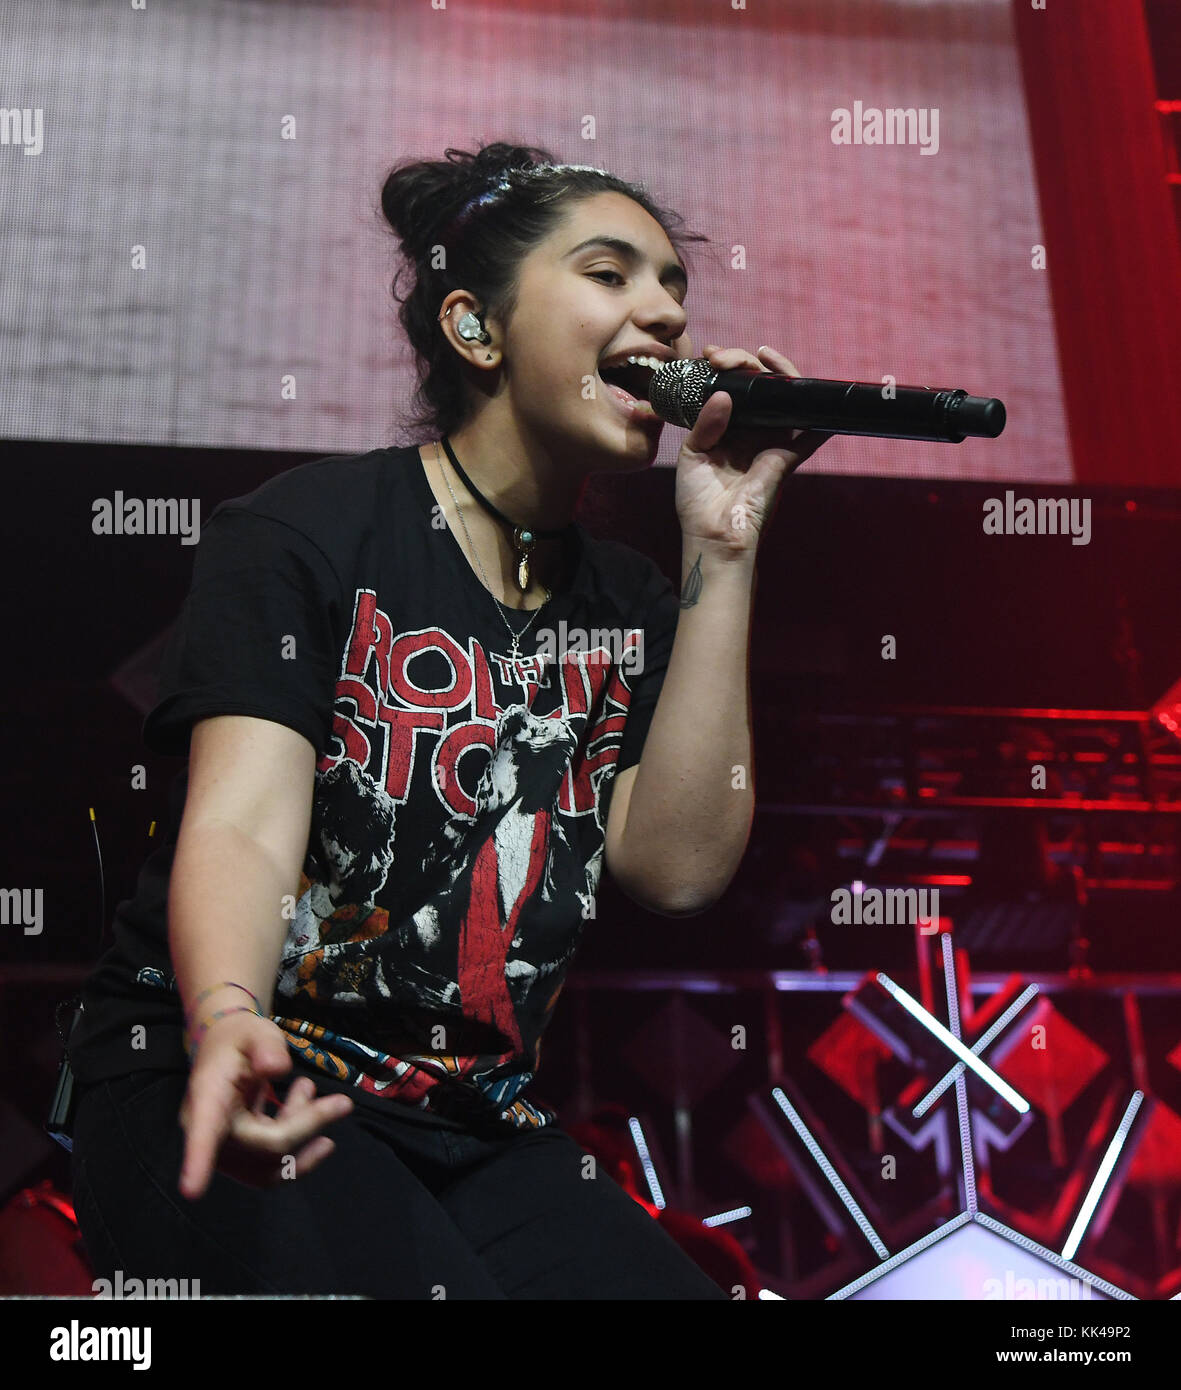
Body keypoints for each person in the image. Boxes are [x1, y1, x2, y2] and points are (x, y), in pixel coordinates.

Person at [66, 140, 831, 1299]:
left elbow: (674, 868)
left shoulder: (627, 601)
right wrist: (228, 1013)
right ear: (476, 331)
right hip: (240, 1071)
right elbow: (240, 824)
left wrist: (720, 557)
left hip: (471, 1115)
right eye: (611, 274)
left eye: (673, 285)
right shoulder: (310, 532)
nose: (666, 314)